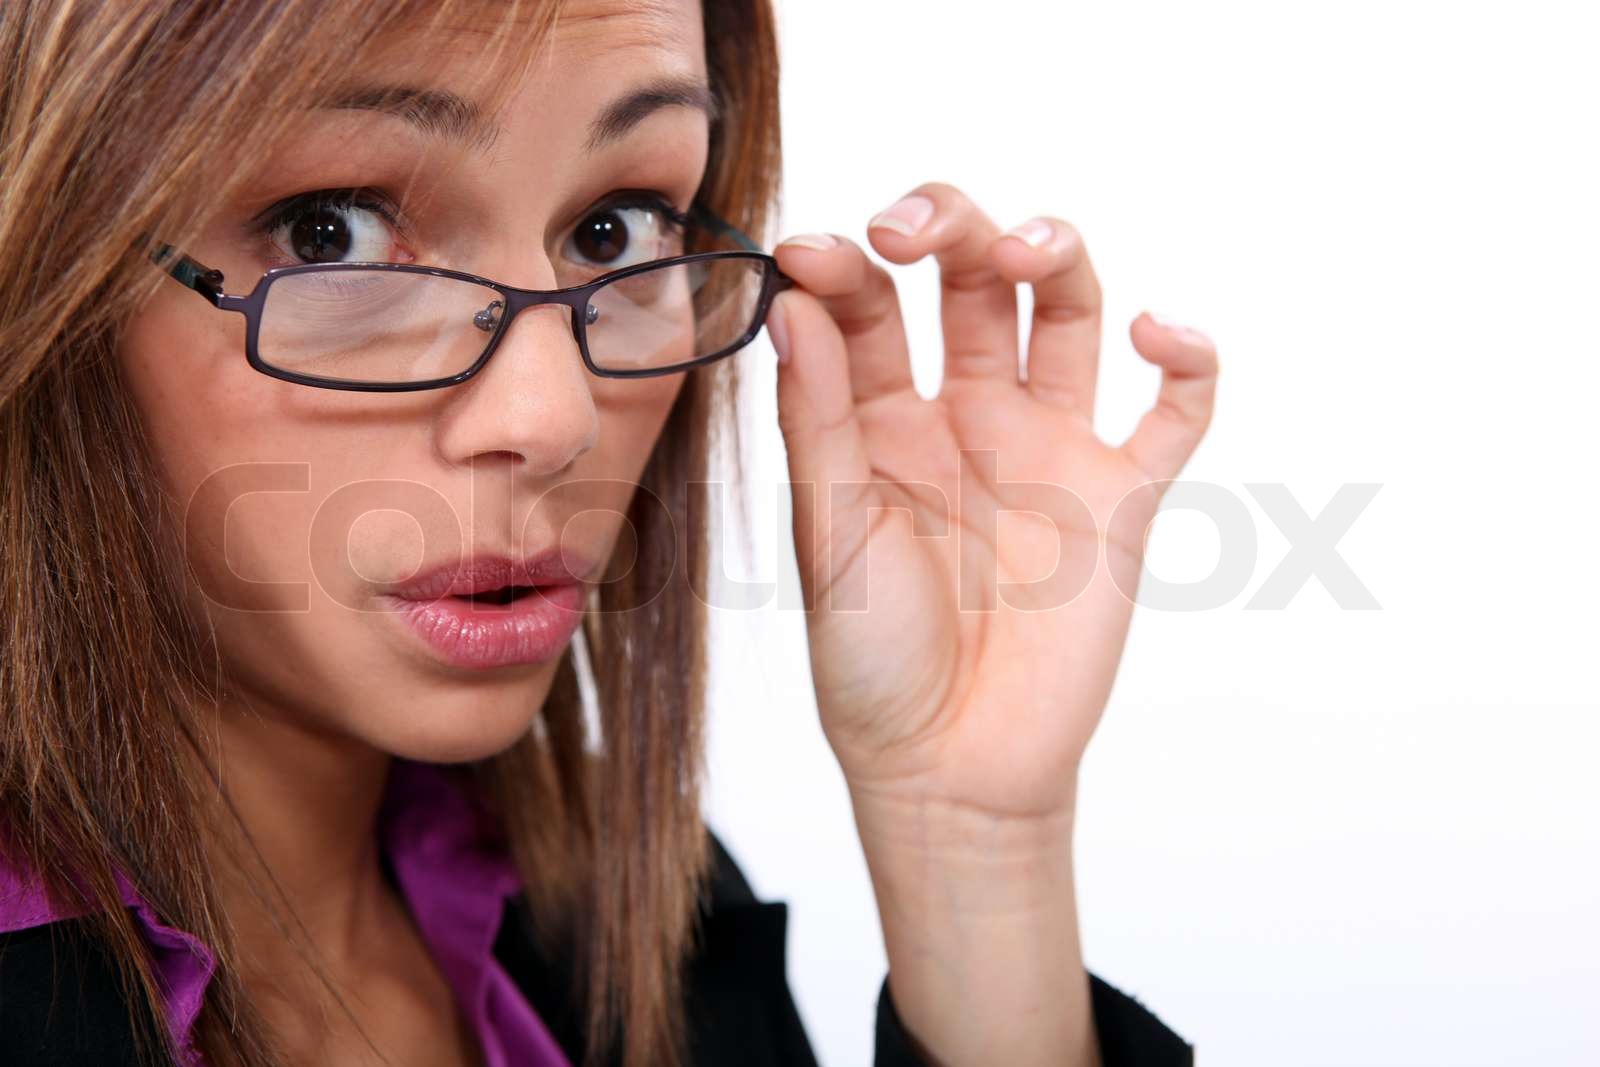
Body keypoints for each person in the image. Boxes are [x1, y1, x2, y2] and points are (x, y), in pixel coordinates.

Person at [0, 1, 1215, 1064]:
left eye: (615, 229)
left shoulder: (628, 931)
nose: (553, 414)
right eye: (333, 231)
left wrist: (973, 850)